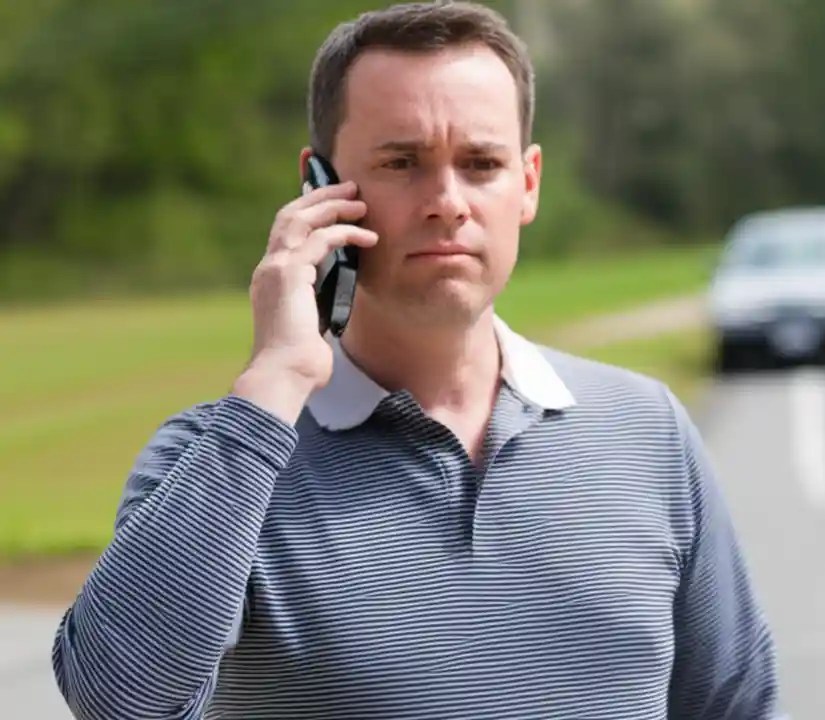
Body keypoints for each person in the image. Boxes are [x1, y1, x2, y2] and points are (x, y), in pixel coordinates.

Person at [50, 2, 779, 718]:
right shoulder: (216, 460)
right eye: (403, 162)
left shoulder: (647, 431)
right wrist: (275, 382)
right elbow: (118, 701)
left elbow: (736, 706)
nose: (447, 201)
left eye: (480, 163)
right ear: (320, 187)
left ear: (526, 183)